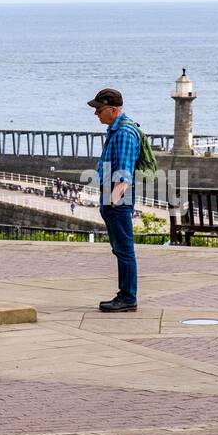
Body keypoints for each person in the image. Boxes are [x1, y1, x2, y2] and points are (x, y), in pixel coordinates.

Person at [88, 88, 141, 312]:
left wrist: (112, 200)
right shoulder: (115, 130)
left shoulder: (124, 134)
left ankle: (128, 297)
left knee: (124, 248)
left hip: (117, 197)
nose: (96, 114)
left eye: (99, 109)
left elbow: (125, 171)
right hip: (113, 196)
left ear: (113, 109)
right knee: (120, 248)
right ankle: (125, 294)